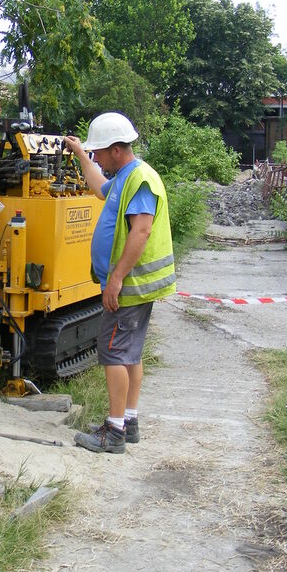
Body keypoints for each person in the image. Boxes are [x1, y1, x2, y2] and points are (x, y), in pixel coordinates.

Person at [63, 113, 176, 455]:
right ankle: (128, 421)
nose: (96, 156)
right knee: (129, 355)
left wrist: (115, 279)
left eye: (98, 151)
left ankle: (113, 432)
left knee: (112, 353)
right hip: (132, 286)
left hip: (128, 288)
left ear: (116, 149)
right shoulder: (125, 176)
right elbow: (99, 189)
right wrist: (81, 155)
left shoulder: (140, 180)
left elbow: (141, 231)